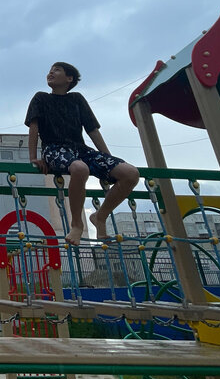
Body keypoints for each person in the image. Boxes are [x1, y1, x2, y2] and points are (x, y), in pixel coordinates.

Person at [25, 62, 139, 244]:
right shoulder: (41, 98)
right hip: (54, 148)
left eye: (56, 70)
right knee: (80, 168)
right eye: (50, 70)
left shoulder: (77, 99)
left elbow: (92, 130)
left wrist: (109, 161)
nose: (51, 72)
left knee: (131, 173)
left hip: (80, 149)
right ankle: (77, 224)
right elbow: (34, 128)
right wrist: (33, 157)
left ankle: (100, 216)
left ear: (69, 78)